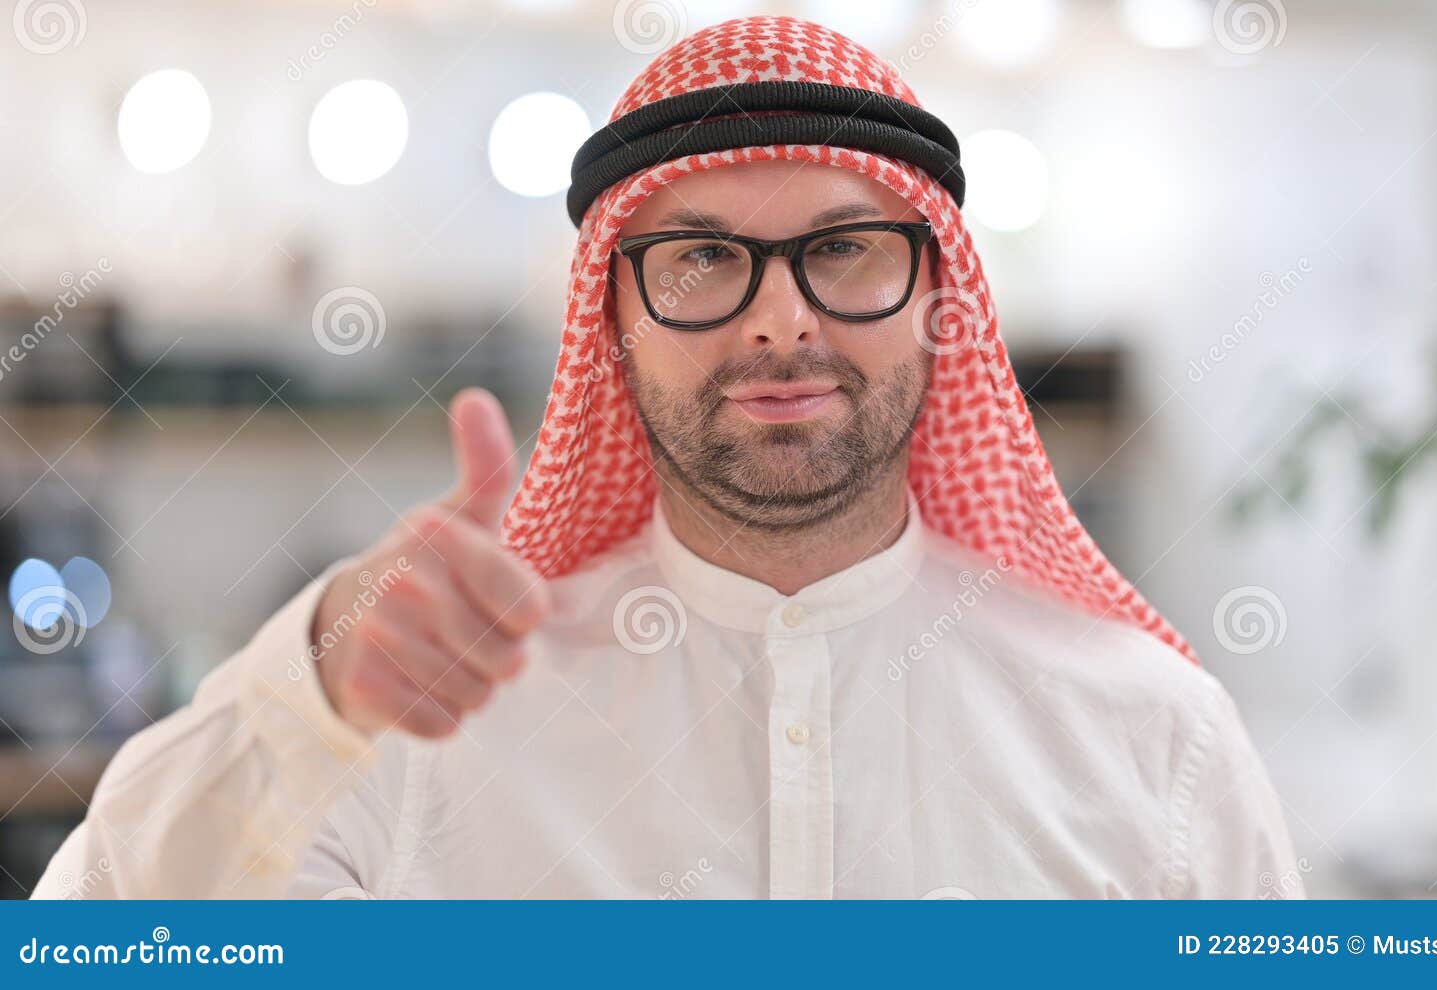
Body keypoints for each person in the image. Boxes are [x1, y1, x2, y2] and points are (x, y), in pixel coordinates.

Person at [34, 16, 1301, 899]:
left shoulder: (1150, 737)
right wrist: (308, 688)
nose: (780, 320)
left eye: (846, 246)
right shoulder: (425, 731)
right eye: (700, 258)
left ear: (941, 300)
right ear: (614, 320)